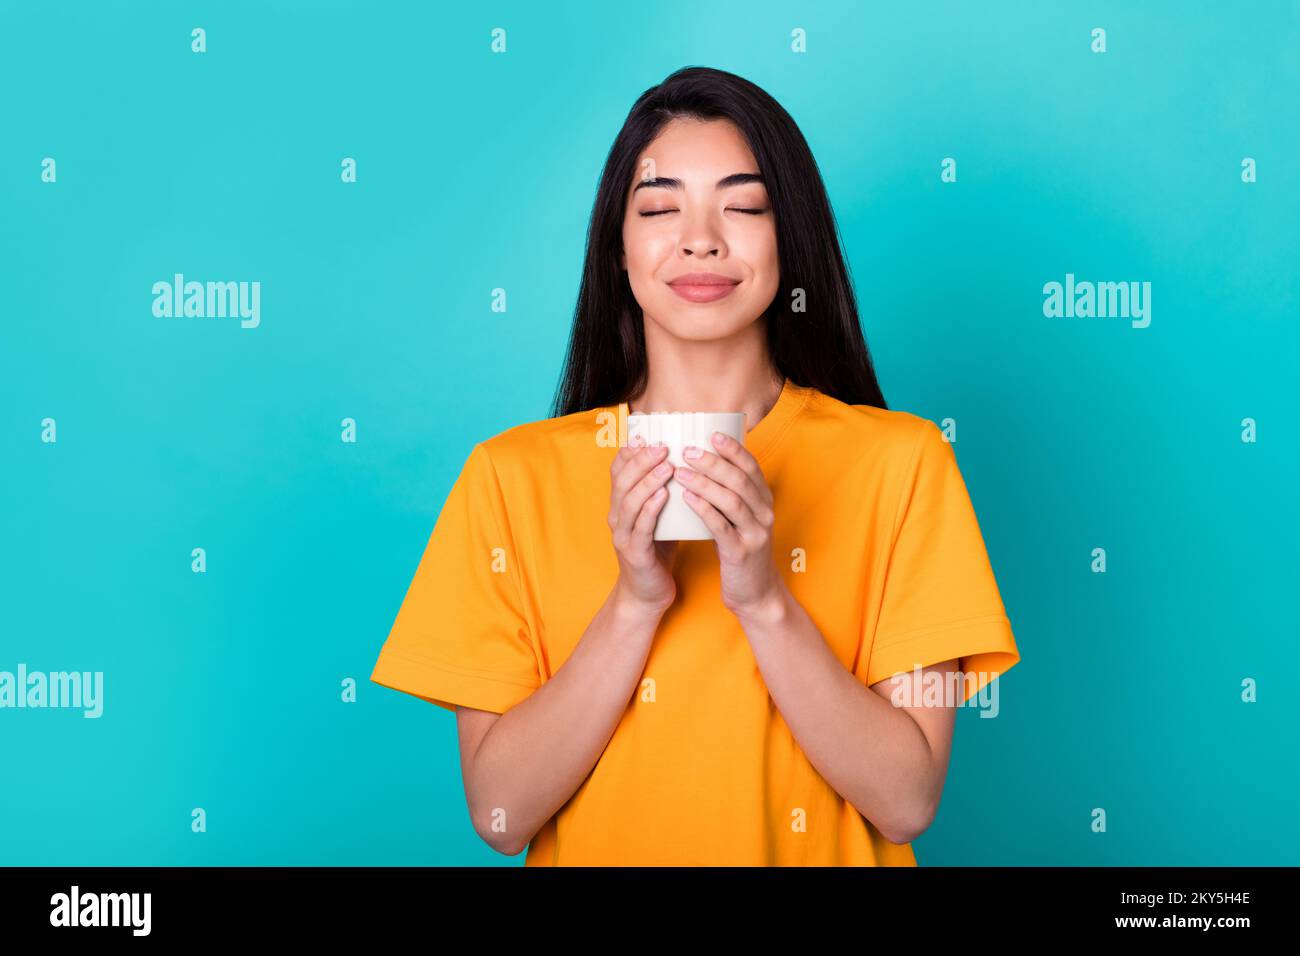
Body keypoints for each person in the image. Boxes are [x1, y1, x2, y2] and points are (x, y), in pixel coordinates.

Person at [370, 66, 1020, 866]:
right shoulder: (509, 480)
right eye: (659, 207)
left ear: (793, 236)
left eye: (744, 205)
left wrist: (764, 599)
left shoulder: (904, 463)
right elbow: (501, 815)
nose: (701, 237)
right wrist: (636, 602)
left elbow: (907, 799)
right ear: (617, 246)